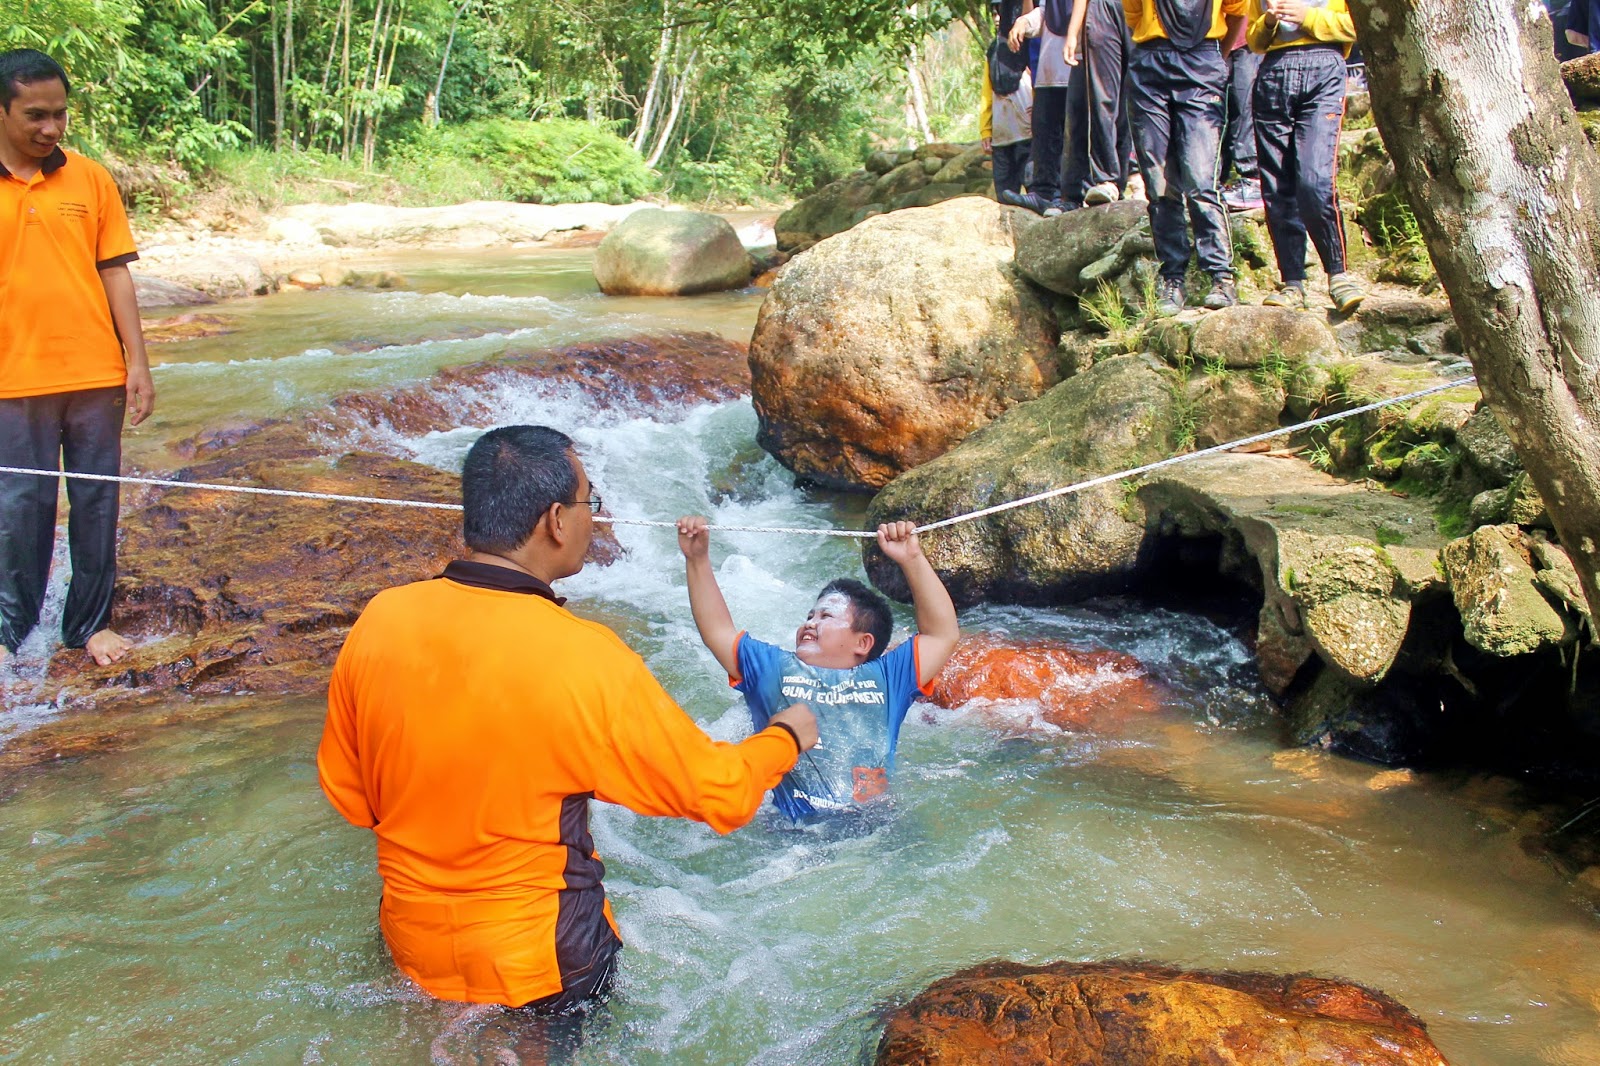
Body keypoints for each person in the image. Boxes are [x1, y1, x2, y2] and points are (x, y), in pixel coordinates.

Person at [318, 425, 820, 1012]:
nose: (594, 517)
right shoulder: (585, 655)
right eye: (590, 502)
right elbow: (719, 792)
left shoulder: (381, 619)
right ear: (556, 520)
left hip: (410, 944)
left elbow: (352, 798)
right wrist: (786, 735)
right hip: (540, 961)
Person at [0, 49, 154, 668]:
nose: (51, 128)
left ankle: (89, 626)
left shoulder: (90, 178)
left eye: (60, 114)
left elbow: (114, 271)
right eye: (35, 115)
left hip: (95, 374)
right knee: (21, 506)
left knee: (96, 500)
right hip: (13, 379)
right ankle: (10, 634)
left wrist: (137, 362)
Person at [676, 516, 960, 822]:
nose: (810, 623)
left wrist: (912, 558)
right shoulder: (773, 668)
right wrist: (697, 560)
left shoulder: (890, 678)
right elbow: (717, 630)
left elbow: (941, 634)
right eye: (810, 616)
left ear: (863, 642)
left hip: (872, 825)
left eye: (826, 616)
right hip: (792, 831)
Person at [1122, 0, 1247, 314]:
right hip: (1149, 62)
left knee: (1201, 178)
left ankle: (1221, 277)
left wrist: (1217, 56)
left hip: (1202, 60)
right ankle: (1172, 278)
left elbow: (1237, 12)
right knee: (1158, 182)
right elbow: (1134, 16)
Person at [1246, 0, 1367, 312]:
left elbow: (1357, 26)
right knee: (1277, 188)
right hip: (1274, 72)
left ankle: (1338, 276)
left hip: (1324, 67)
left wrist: (1308, 17)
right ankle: (1292, 282)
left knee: (1314, 180)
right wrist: (1268, 23)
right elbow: (1254, 41)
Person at [1062, 0, 1136, 207]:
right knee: (1102, 97)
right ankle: (1107, 178)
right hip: (1103, 10)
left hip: (1145, 11)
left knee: (1135, 96)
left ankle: (1129, 177)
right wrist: (1073, 32)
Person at [1006, 0, 1074, 214]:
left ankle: (1070, 195)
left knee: (1076, 138)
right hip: (1048, 72)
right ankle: (1043, 193)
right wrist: (1023, 22)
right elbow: (1044, 14)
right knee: (1044, 136)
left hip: (1077, 70)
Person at [983, 0, 1035, 201]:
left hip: (1027, 133)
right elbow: (986, 93)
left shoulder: (1030, 44)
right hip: (1002, 137)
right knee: (1004, 197)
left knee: (1034, 189)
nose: (997, 18)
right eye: (994, 14)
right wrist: (985, 130)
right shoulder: (993, 51)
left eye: (1000, 12)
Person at [1219, 16, 1265, 211]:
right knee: (1213, 112)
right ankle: (1213, 182)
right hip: (1208, 38)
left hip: (1245, 38)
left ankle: (1253, 179)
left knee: (1245, 106)